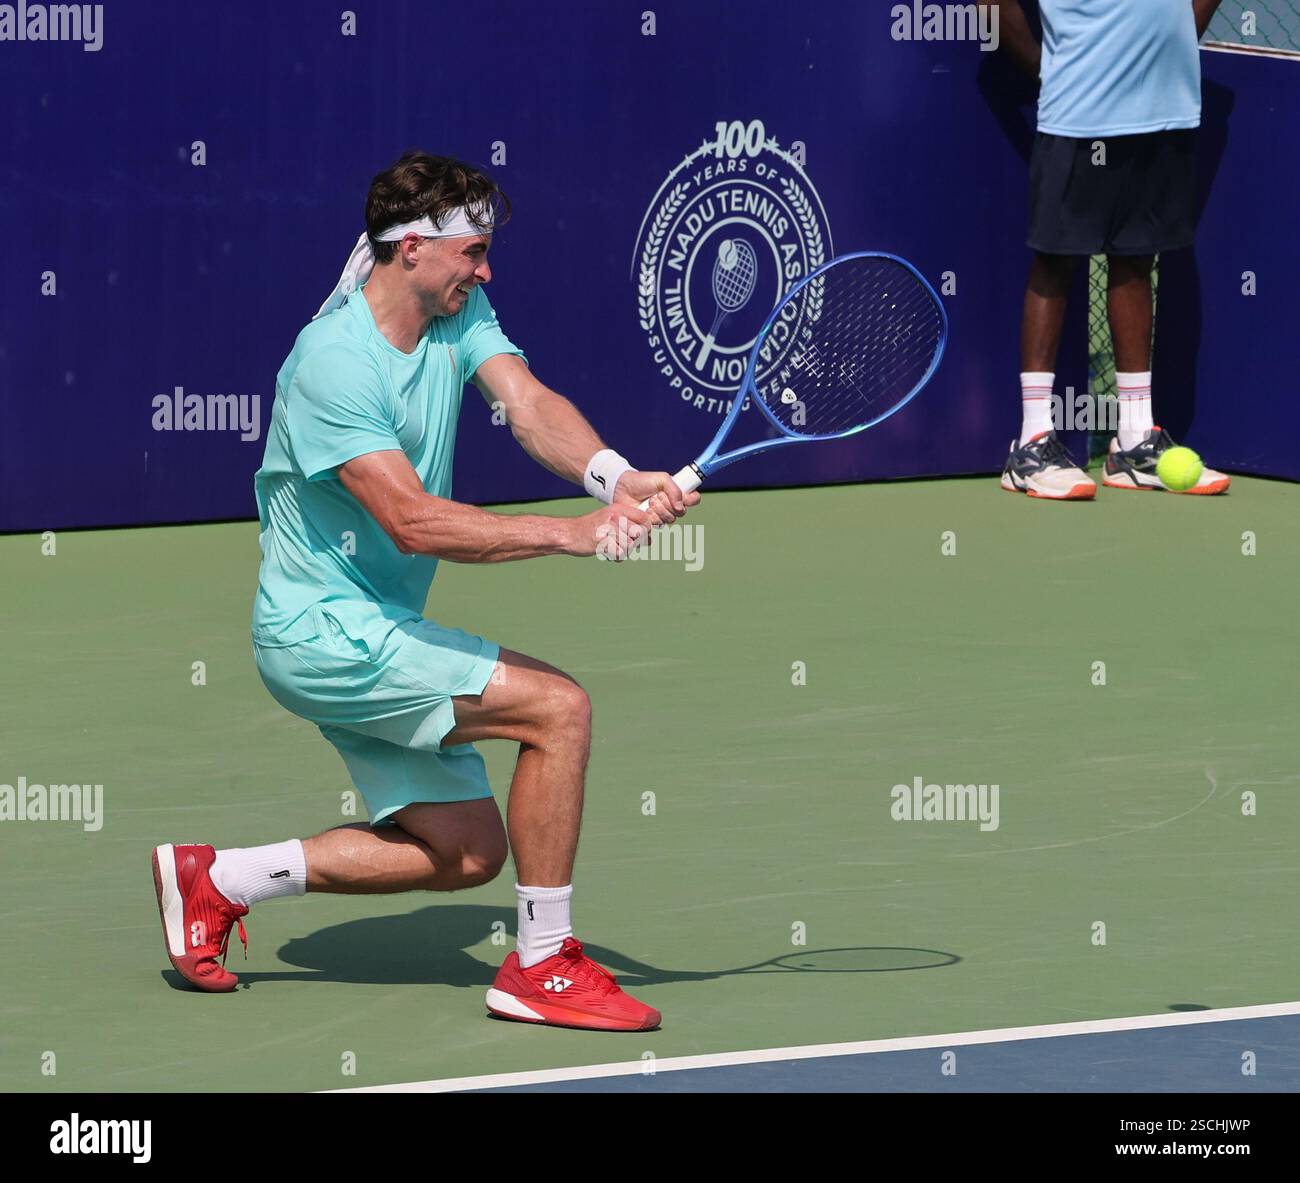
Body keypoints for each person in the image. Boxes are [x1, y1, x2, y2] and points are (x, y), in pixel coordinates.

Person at [151, 151, 698, 1032]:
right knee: (558, 710)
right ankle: (544, 964)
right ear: (411, 248)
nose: (486, 271)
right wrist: (570, 534)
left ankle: (217, 880)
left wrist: (614, 476)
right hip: (319, 634)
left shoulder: (455, 310)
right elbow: (411, 521)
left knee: (468, 851)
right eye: (473, 252)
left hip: (373, 622)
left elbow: (526, 402)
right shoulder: (333, 364)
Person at [993, 0, 1231, 499]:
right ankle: (1031, 445)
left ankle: (1134, 442)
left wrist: (1173, 38)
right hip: (1079, 110)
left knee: (1137, 261)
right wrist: (1044, 68)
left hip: (1165, 107)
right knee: (1056, 260)